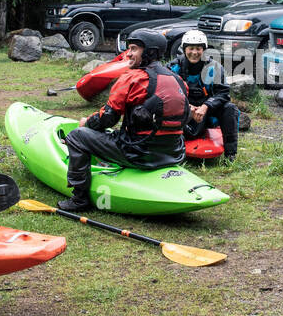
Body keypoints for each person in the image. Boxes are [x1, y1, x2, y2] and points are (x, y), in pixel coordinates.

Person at [60, 31, 188, 212]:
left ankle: (79, 198)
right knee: (120, 134)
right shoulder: (179, 81)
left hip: (138, 154)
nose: (128, 54)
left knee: (77, 136)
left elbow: (107, 119)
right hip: (174, 153)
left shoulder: (132, 78)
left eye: (134, 49)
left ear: (149, 52)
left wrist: (86, 122)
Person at [170, 29, 239, 159]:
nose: (194, 53)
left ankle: (230, 154)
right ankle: (170, 147)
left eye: (198, 49)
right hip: (183, 110)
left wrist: (205, 106)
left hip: (207, 111)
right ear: (184, 49)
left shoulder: (215, 67)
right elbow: (167, 92)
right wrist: (187, 107)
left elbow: (223, 93)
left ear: (204, 50)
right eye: (191, 48)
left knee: (230, 109)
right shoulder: (174, 67)